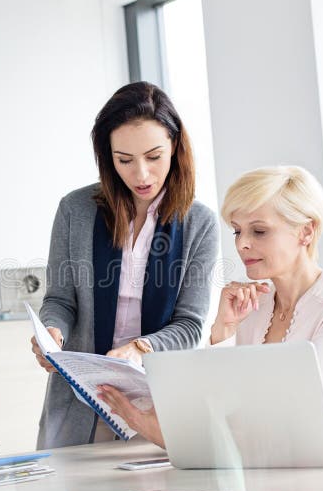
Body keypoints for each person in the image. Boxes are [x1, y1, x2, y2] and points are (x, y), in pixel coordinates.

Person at [99, 165, 323, 447]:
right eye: (237, 230)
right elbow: (223, 404)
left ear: (306, 231)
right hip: (295, 464)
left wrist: (181, 432)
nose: (242, 244)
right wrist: (224, 331)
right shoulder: (255, 307)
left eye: (259, 231)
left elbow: (298, 412)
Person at [32, 82, 219, 449]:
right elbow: (60, 300)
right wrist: (52, 331)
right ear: (108, 156)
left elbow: (189, 326)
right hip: (78, 407)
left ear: (175, 148)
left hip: (155, 413)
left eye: (154, 157)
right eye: (125, 160)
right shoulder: (76, 210)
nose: (141, 175)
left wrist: (139, 349)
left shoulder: (199, 223)